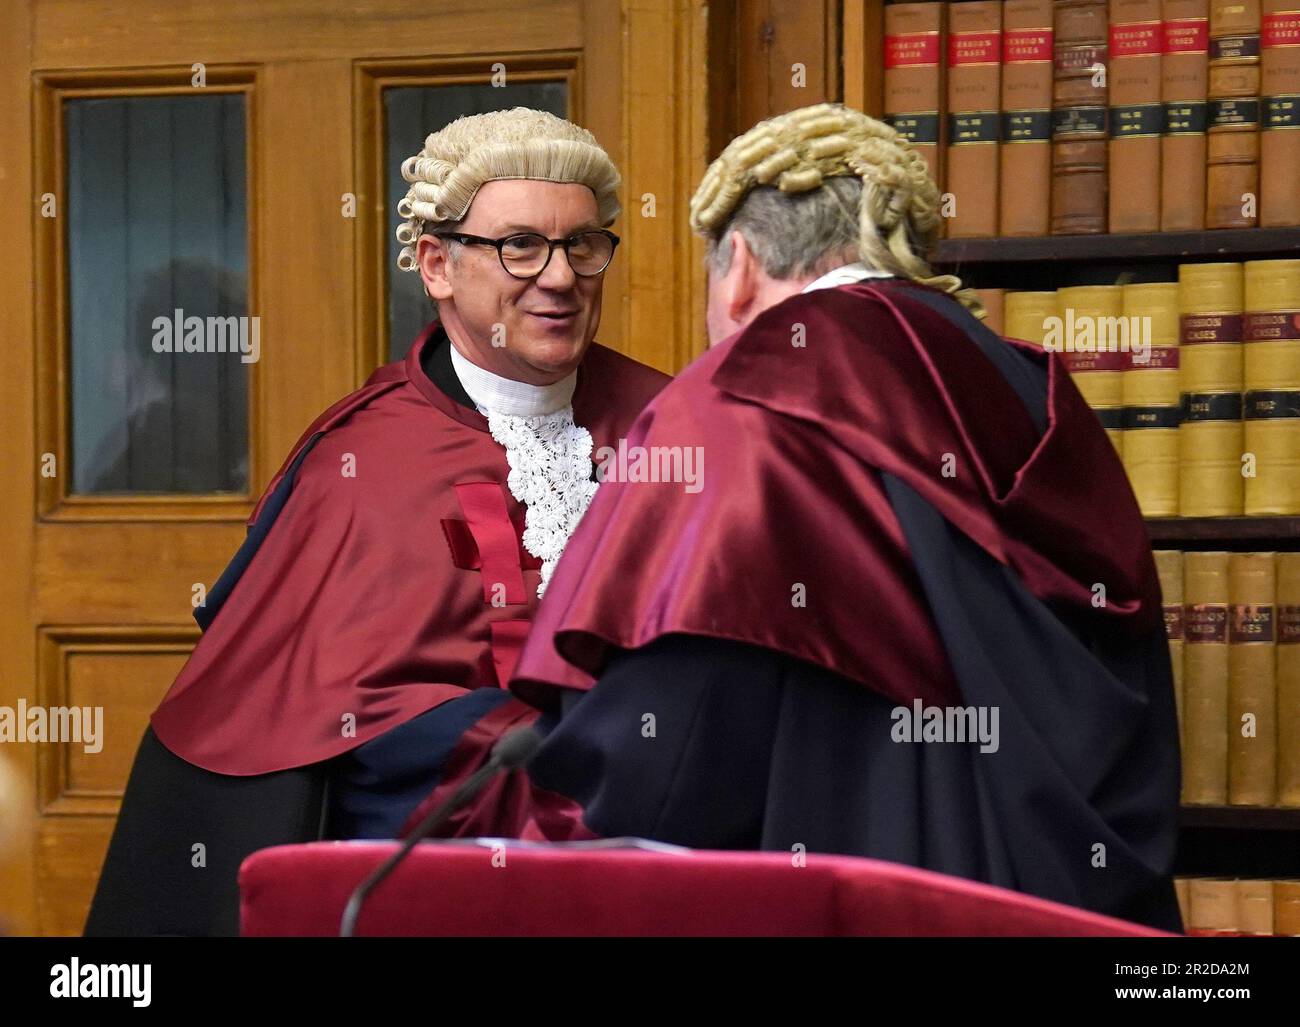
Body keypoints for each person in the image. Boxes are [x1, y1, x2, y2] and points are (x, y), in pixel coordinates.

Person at [410, 103, 1183, 932]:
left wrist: (511, 820)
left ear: (738, 267)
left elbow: (664, 756)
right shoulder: (1037, 392)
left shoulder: (743, 400)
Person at [85, 107, 668, 936]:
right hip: (439, 893)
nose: (561, 276)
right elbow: (319, 725)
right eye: (521, 246)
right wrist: (526, 743)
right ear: (437, 263)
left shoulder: (673, 424)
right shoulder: (358, 466)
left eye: (584, 244)